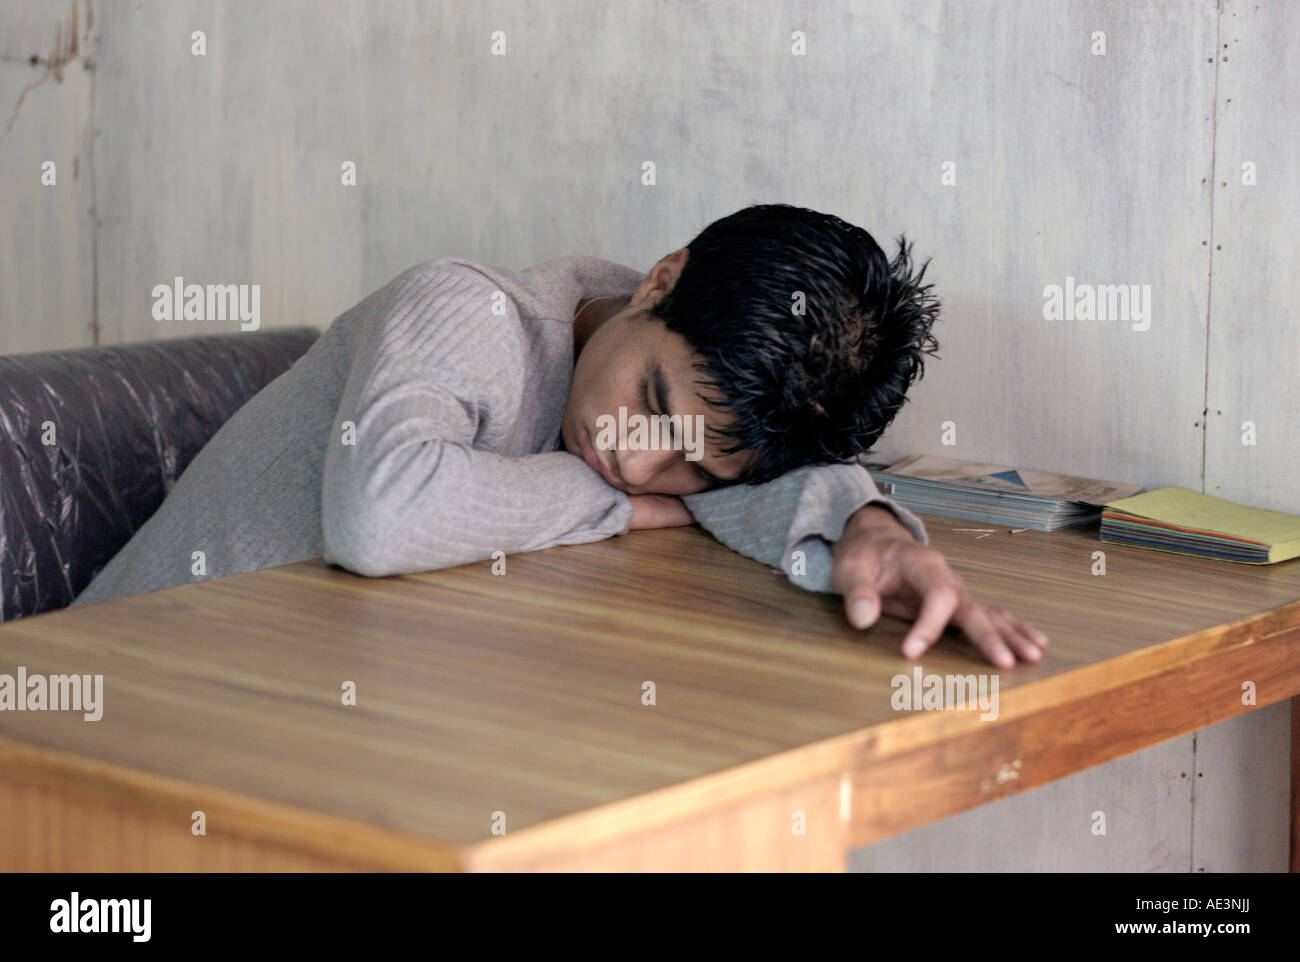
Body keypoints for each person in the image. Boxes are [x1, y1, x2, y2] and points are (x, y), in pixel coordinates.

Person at [72, 204, 1047, 668]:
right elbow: (382, 515)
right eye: (651, 404)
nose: (636, 454)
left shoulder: (694, 391)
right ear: (660, 277)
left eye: (690, 469)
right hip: (101, 711)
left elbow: (743, 475)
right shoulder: (462, 311)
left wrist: (868, 523)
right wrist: (617, 507)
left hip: (282, 705)